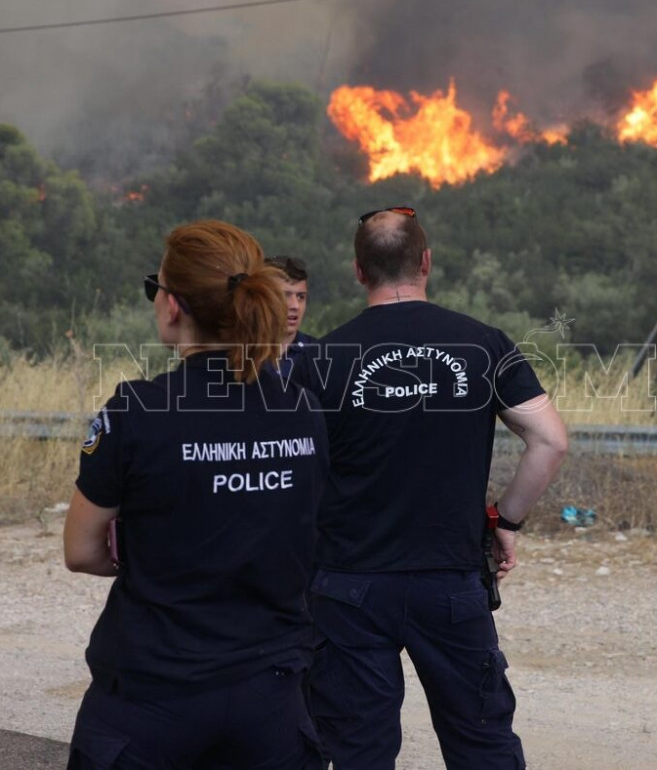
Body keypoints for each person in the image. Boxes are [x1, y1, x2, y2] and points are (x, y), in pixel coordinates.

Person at [293, 207, 568, 770]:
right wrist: (505, 521)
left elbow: (295, 475)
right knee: (481, 743)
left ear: (358, 270)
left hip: (347, 584)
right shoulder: (483, 344)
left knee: (358, 750)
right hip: (450, 579)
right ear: (426, 262)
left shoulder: (321, 359)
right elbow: (550, 441)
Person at [63, 220, 328, 769]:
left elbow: (81, 550)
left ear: (173, 305)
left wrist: (157, 555)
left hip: (153, 692)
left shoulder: (138, 409)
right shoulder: (302, 408)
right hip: (272, 694)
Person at [264, 255, 316, 377]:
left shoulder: (318, 353)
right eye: (285, 296)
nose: (295, 306)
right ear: (263, 298)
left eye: (300, 297)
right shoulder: (240, 353)